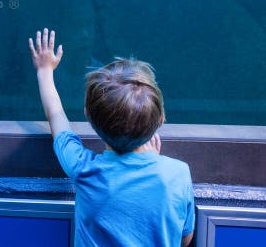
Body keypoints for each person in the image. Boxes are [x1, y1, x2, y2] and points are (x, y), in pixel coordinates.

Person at [29, 27, 195, 247]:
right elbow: (185, 238)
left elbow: (56, 117)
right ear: (161, 119)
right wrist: (154, 161)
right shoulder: (177, 174)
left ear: (88, 116)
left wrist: (44, 71)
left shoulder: (84, 169)